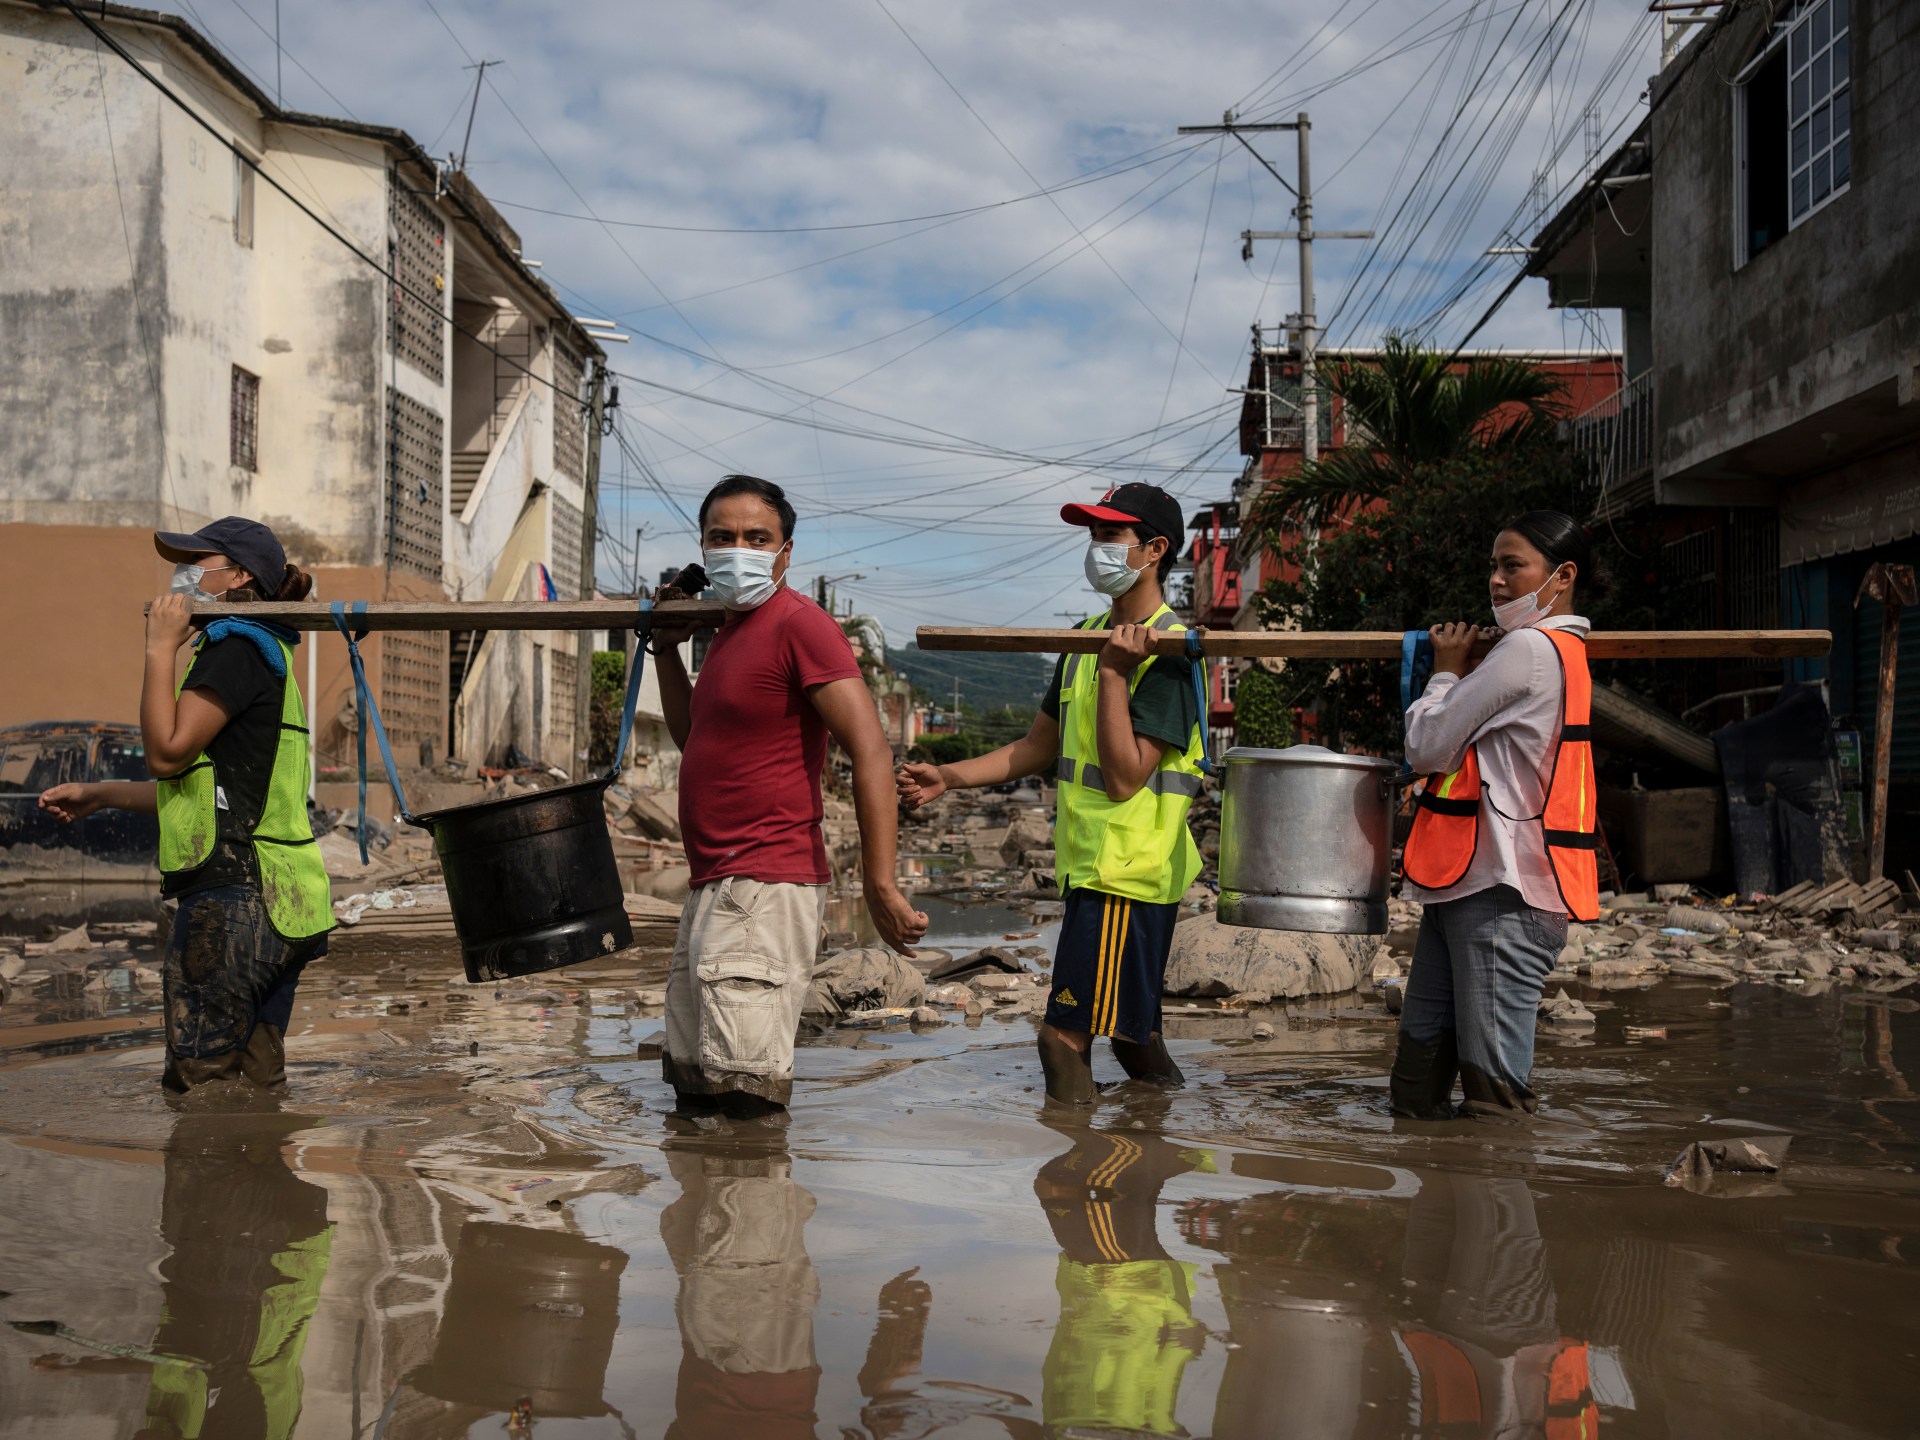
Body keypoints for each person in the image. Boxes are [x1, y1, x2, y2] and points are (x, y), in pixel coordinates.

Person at [897, 483, 1205, 1105]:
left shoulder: (1167, 651)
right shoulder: (1086, 638)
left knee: (1061, 1040)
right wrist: (949, 776)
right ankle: (1172, 1134)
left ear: (1155, 549)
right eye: (1093, 535)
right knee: (1133, 1038)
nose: (1097, 548)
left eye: (1111, 535)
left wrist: (1115, 672)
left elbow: (1125, 777)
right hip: (1094, 870)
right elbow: (1037, 746)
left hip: (1127, 874)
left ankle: (1076, 1156)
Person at [647, 474, 929, 1122]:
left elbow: (871, 749)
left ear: (786, 551)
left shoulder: (801, 625)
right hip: (713, 884)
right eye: (722, 537)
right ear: (702, 547)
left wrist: (881, 885)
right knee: (694, 1089)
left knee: (745, 1098)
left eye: (757, 537)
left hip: (763, 888)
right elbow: (695, 738)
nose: (738, 549)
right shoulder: (728, 634)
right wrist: (665, 649)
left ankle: (759, 1190)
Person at [37, 518, 333, 1092]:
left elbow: (166, 755)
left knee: (200, 1092)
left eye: (197, 561)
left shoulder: (235, 647)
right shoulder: (270, 655)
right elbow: (208, 795)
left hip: (234, 906)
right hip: (286, 905)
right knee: (255, 1089)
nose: (182, 574)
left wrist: (159, 649)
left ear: (239, 576)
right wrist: (100, 795)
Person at [1393, 510, 1601, 1120]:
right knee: (1416, 1095)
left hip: (1504, 896)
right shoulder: (1562, 650)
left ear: (1563, 576)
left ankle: (1501, 1183)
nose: (1497, 581)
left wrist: (1445, 673)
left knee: (1495, 1105)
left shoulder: (1529, 649)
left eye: (1514, 566)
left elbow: (1426, 746)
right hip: (1472, 887)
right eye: (1494, 567)